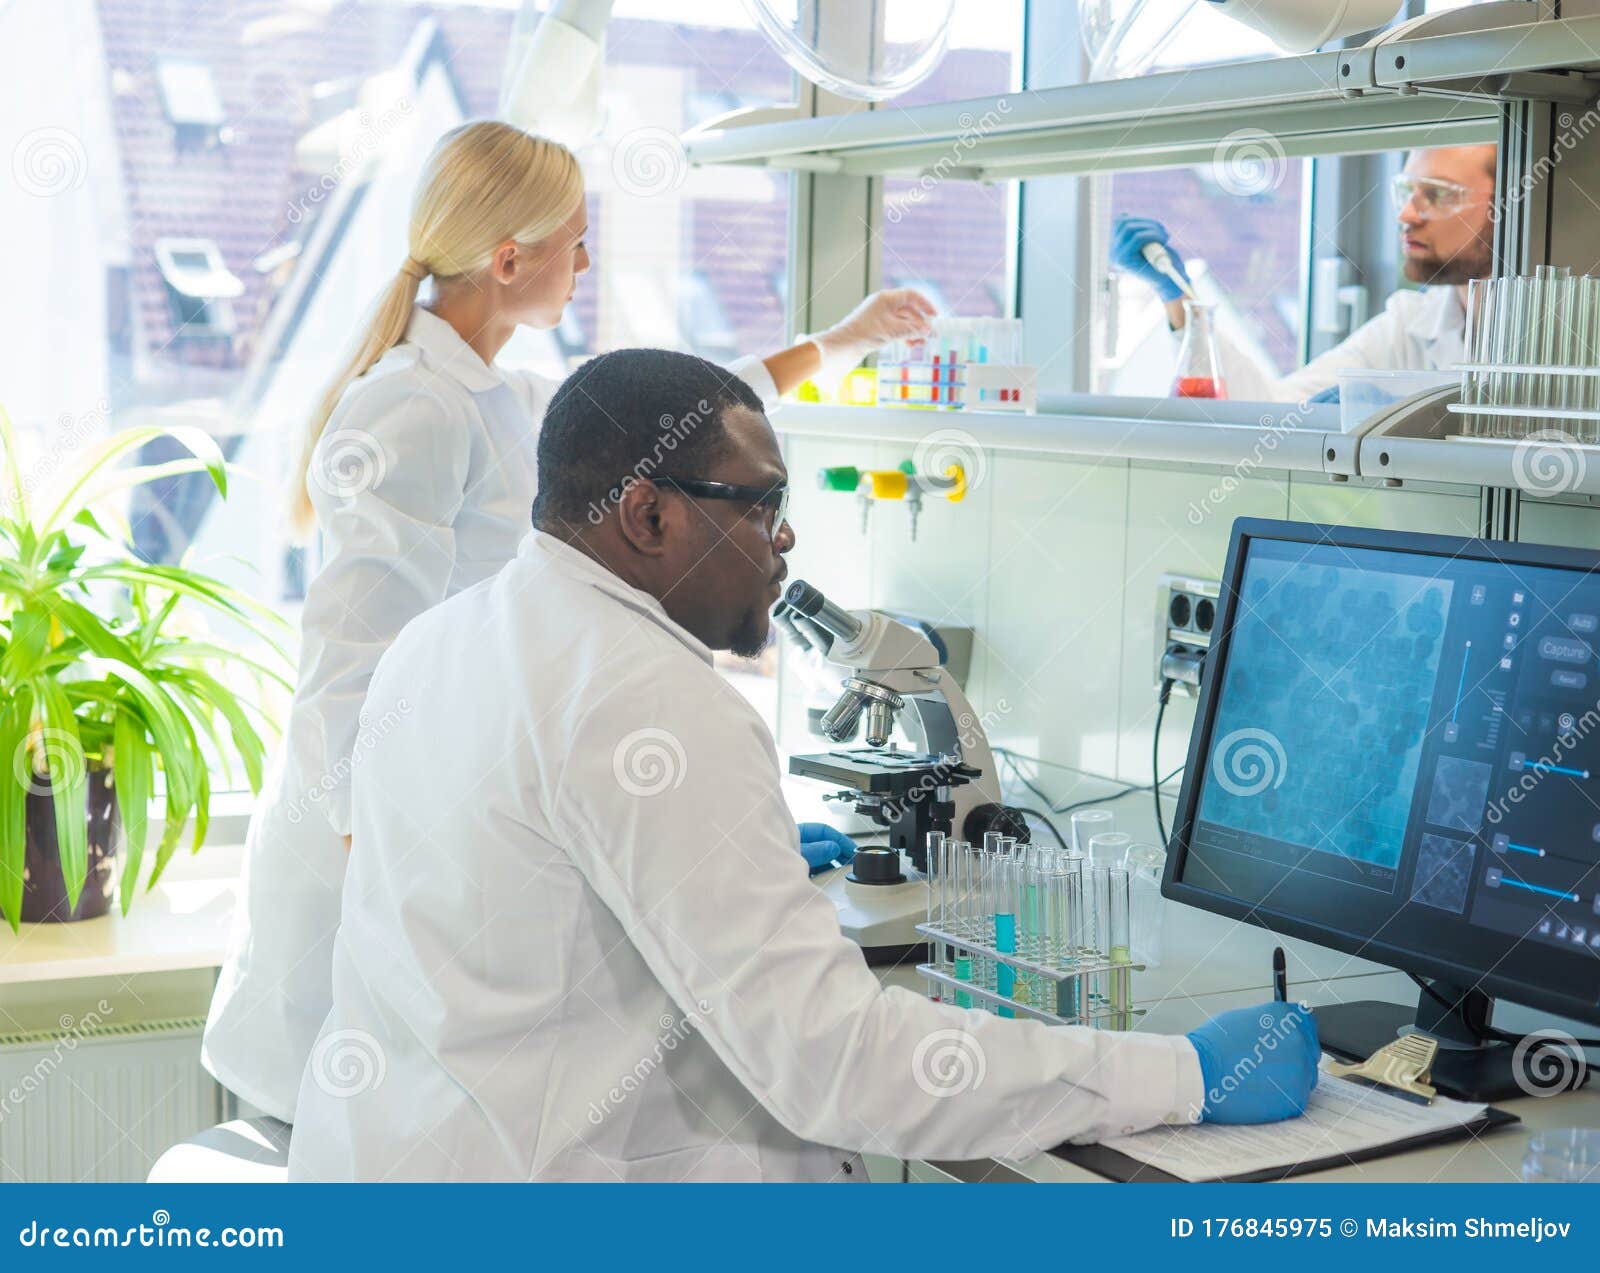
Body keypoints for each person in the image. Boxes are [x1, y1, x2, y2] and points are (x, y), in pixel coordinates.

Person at [286, 348, 1318, 1182]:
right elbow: (841, 1065)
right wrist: (1184, 1072)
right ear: (649, 515)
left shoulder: (449, 635)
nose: (783, 541)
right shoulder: (648, 694)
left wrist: (747, 852)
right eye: (759, 503)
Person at [203, 119, 934, 1126]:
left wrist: (841, 342)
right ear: (510, 259)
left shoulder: (494, 391)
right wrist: (395, 863)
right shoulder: (410, 407)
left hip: (424, 858)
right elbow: (342, 675)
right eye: (577, 240)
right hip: (359, 879)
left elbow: (683, 418)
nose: (588, 262)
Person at [1112, 144, 1497, 403]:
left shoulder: (1550, 333)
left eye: (1438, 194)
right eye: (1407, 193)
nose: (1406, 215)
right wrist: (1178, 296)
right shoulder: (1412, 325)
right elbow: (1272, 412)